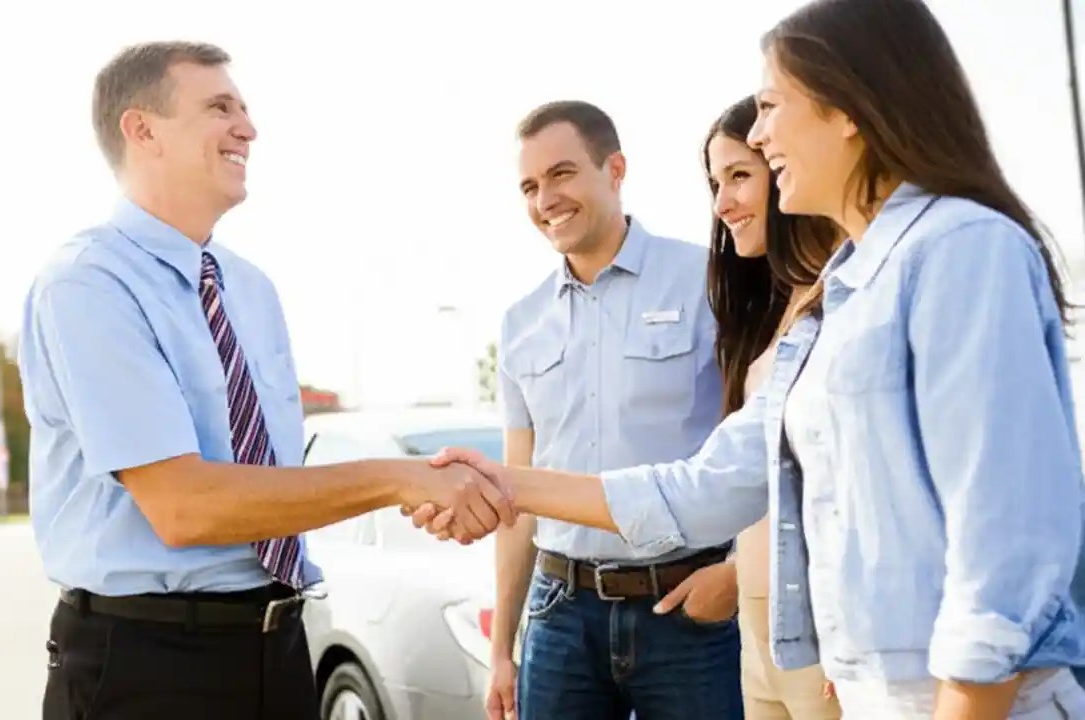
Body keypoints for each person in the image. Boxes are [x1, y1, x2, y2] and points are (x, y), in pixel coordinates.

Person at [418, 0, 1085, 717]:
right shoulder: (846, 294)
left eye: (770, 106)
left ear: (848, 108)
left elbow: (1002, 565)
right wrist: (502, 482)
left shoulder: (961, 250)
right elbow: (699, 488)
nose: (761, 136)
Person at [17, 41, 513, 720]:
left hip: (278, 651)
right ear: (143, 130)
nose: (247, 128)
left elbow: (273, 487)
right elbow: (185, 506)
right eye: (219, 107)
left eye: (244, 109)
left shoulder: (250, 290)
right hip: (145, 666)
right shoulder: (89, 285)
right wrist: (400, 479)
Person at [483, 100, 741, 720]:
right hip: (560, 617)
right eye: (529, 186)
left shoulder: (710, 281)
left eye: (562, 173)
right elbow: (518, 501)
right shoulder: (520, 325)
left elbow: (761, 445)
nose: (545, 199)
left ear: (615, 168)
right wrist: (502, 650)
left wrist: (734, 575)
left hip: (685, 609)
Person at [702, 95, 840, 719]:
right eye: (714, 183)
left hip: (821, 643)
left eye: (739, 176)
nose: (722, 203)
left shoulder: (842, 297)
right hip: (757, 639)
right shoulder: (768, 312)